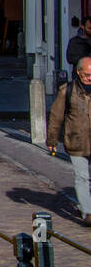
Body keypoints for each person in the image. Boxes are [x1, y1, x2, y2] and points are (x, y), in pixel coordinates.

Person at [47, 55, 91, 226]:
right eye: (87, 75)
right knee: (82, 177)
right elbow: (56, 116)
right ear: (79, 73)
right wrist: (52, 140)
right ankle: (87, 212)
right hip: (76, 141)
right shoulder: (67, 91)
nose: (90, 78)